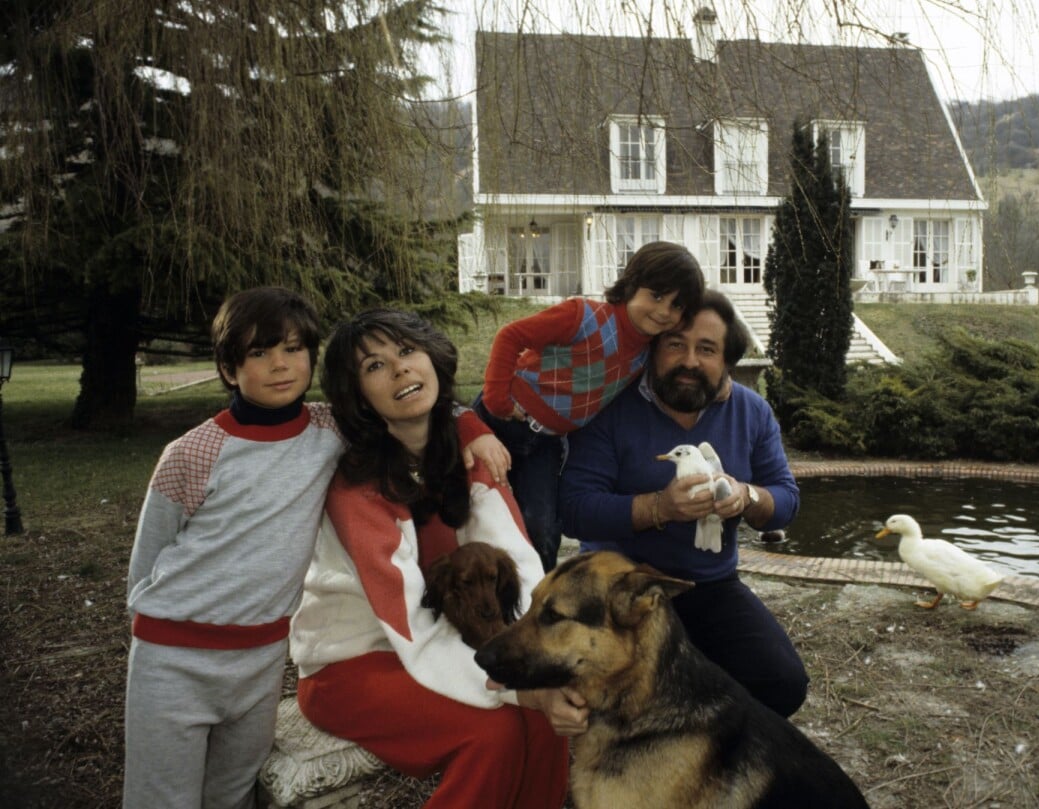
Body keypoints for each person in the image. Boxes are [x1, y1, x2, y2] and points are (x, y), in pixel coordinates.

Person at [123, 288, 507, 809]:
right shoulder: (192, 453)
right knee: (161, 798)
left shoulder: (331, 431)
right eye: (258, 353)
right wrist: (158, 631)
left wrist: (473, 426)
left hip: (260, 658)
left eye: (293, 349)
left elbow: (418, 404)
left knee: (231, 793)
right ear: (230, 368)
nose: (279, 365)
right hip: (174, 658)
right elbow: (147, 561)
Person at [289, 309, 582, 809]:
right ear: (358, 395)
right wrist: (518, 688)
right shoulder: (357, 486)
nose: (400, 370)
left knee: (541, 715)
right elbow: (409, 626)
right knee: (495, 735)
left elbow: (518, 565)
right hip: (350, 666)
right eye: (374, 367)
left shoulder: (467, 454)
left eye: (406, 352)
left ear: (431, 358)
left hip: (442, 643)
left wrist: (541, 660)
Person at [558, 289, 809, 718]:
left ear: (727, 361)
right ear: (654, 350)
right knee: (611, 700)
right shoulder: (610, 407)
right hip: (621, 585)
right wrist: (660, 507)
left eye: (706, 349)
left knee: (782, 683)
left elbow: (785, 500)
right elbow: (575, 508)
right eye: (676, 344)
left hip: (710, 585)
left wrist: (746, 496)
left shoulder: (752, 411)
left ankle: (711, 754)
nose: (690, 361)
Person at [474, 241, 705, 570]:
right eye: (656, 296)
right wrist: (496, 399)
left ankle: (531, 608)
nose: (664, 312)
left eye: (677, 305)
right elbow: (511, 336)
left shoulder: (647, 351)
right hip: (500, 418)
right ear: (631, 283)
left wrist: (721, 383)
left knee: (542, 531)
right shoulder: (582, 316)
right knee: (463, 502)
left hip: (546, 442)